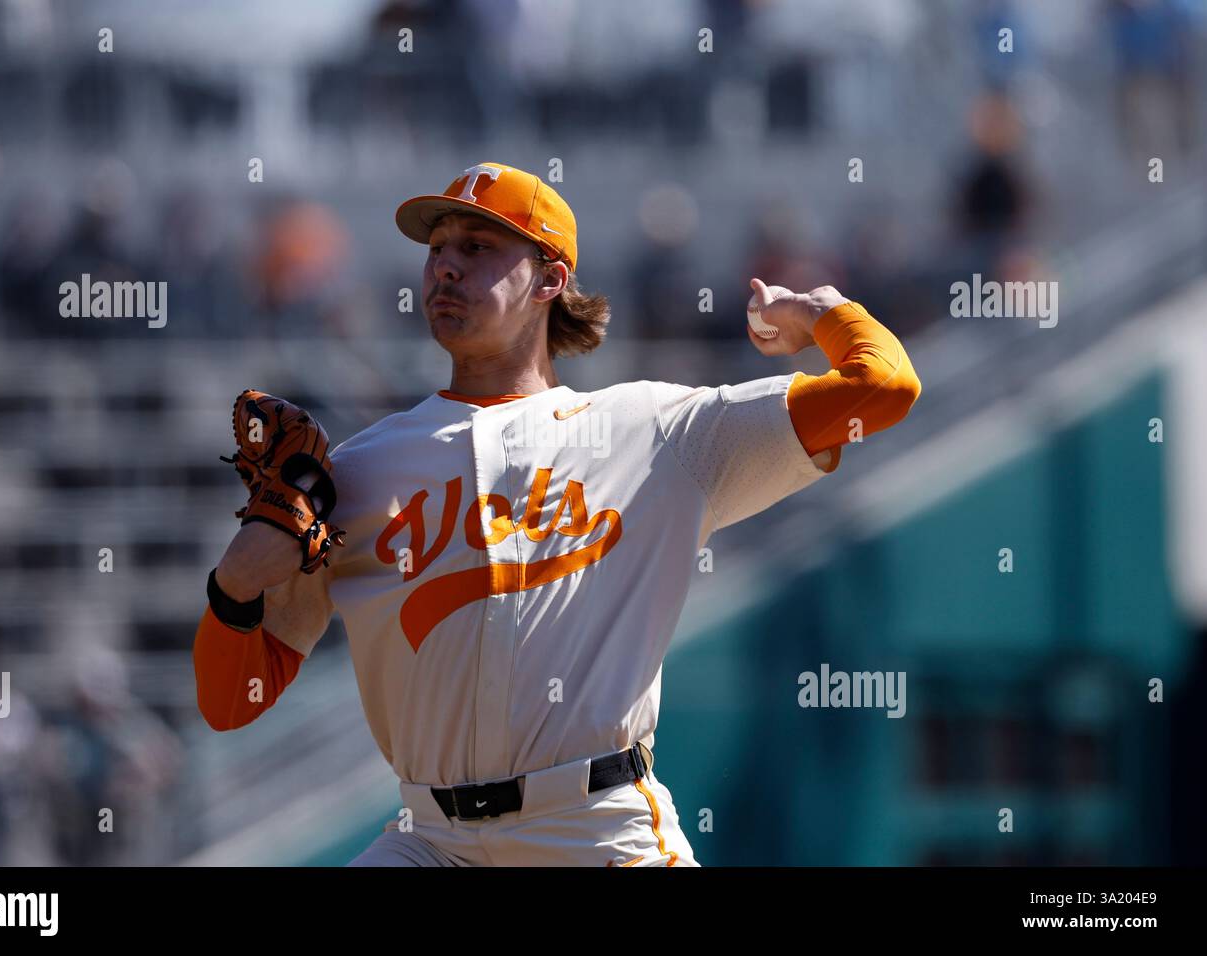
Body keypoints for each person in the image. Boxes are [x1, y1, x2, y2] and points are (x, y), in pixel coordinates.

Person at [194, 162, 921, 866]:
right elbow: (231, 704)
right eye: (438, 249)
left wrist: (822, 312)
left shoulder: (655, 430)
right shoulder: (354, 474)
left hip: (598, 829)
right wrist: (233, 590)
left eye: (478, 248)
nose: (445, 267)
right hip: (433, 841)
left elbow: (882, 387)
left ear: (551, 277)